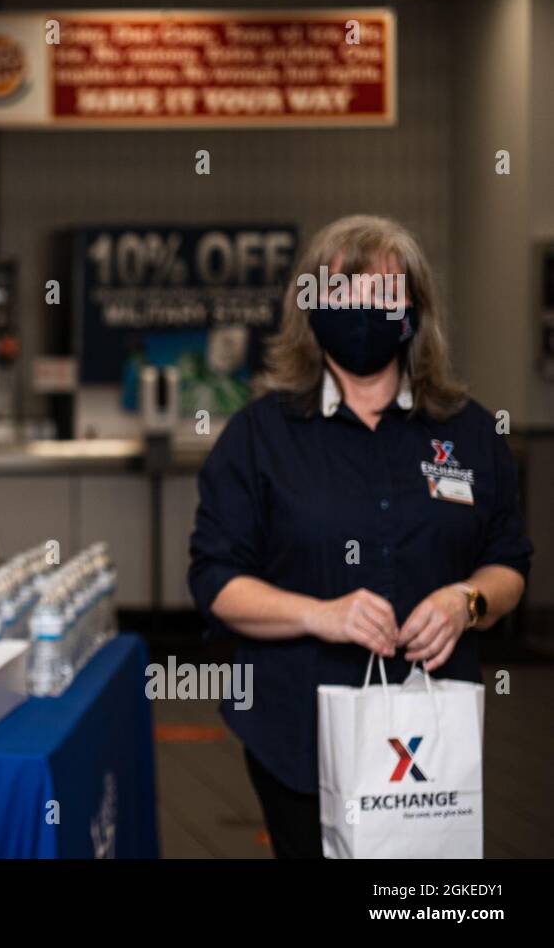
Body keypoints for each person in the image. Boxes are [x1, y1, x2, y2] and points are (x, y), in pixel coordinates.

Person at [188, 214, 531, 858]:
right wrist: (323, 615)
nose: (363, 310)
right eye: (342, 293)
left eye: (384, 294)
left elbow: (508, 563)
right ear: (310, 310)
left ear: (415, 312)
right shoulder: (259, 437)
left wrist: (467, 602)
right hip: (294, 732)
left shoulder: (470, 433)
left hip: (431, 729)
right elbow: (215, 582)